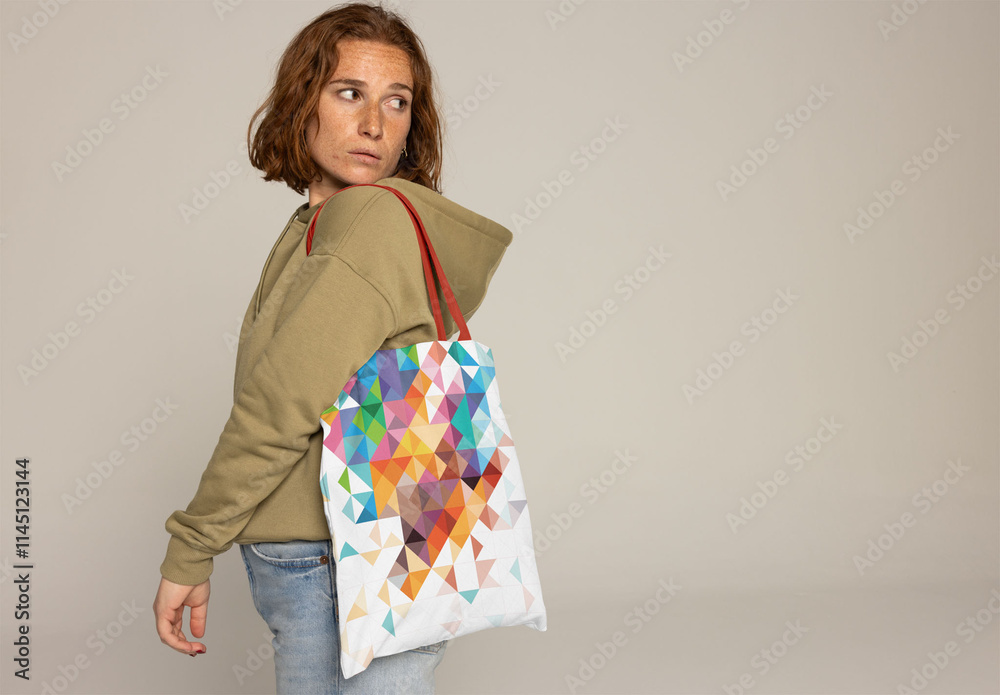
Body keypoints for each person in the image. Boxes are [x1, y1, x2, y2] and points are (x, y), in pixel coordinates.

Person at [152, 3, 514, 693]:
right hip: (353, 551)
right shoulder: (316, 224)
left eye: (397, 102)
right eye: (350, 93)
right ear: (303, 101)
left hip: (345, 558)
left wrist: (191, 545)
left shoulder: (371, 223)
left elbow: (281, 405)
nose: (375, 123)